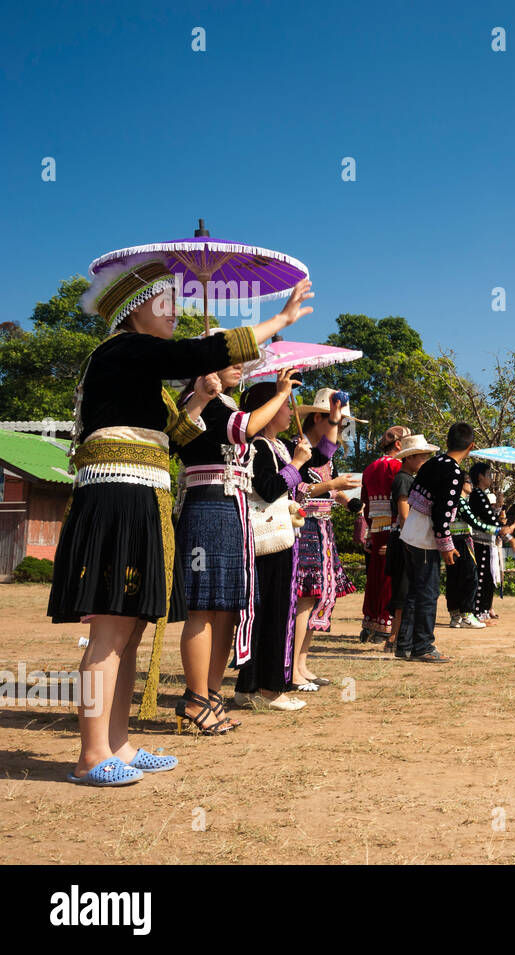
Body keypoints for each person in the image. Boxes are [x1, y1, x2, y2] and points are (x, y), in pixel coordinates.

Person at [50, 262, 310, 785]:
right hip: (117, 497)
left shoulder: (141, 371)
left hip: (141, 496)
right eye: (164, 302)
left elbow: (183, 434)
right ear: (132, 311)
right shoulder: (122, 349)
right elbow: (199, 352)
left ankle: (116, 746)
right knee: (110, 628)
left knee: (131, 627)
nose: (175, 312)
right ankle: (90, 755)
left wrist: (201, 396)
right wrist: (276, 322)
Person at [174, 349, 299, 733]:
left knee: (228, 607)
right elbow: (243, 429)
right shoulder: (198, 401)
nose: (238, 366)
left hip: (232, 508)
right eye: (230, 359)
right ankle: (195, 698)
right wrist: (278, 394)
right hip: (206, 506)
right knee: (203, 607)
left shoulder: (222, 401)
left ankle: (212, 693)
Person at [233, 380, 314, 712]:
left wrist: (300, 460)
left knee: (268, 613)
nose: (290, 410)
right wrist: (295, 465)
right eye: (284, 404)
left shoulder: (276, 447)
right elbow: (267, 489)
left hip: (278, 537)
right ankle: (269, 688)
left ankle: (249, 685)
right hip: (268, 541)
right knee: (274, 612)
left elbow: (300, 475)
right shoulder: (260, 447)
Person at [288, 389, 363, 690]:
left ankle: (302, 665)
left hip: (322, 529)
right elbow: (298, 489)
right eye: (336, 422)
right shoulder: (298, 448)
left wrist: (349, 502)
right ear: (318, 418)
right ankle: (292, 669)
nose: (341, 428)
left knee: (317, 597)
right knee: (304, 599)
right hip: (302, 527)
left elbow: (329, 485)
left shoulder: (322, 454)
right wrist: (332, 485)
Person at [396, 422, 476, 662]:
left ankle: (405, 645)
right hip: (425, 537)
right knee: (428, 593)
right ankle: (423, 646)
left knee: (413, 592)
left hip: (412, 530)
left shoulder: (433, 462)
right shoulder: (454, 472)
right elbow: (442, 512)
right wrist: (446, 546)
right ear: (470, 447)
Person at [358, 426, 411, 644]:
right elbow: (403, 501)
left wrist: (370, 531)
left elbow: (365, 501)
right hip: (395, 527)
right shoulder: (399, 467)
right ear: (399, 445)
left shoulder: (370, 468)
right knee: (392, 577)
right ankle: (385, 625)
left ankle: (370, 624)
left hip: (376, 528)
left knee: (375, 577)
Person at [384, 434, 435, 654]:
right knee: (406, 591)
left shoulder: (407, 478)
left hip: (404, 536)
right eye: (422, 457)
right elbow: (404, 514)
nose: (424, 460)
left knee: (407, 591)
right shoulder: (404, 479)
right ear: (411, 457)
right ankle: (397, 639)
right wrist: (410, 537)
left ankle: (399, 639)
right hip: (406, 537)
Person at [465, 462, 515, 622]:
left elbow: (492, 519)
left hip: (486, 542)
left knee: (487, 578)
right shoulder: (477, 495)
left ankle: (482, 611)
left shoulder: (480, 495)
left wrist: (507, 532)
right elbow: (491, 520)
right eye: (489, 474)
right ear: (480, 476)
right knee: (483, 578)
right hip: (479, 542)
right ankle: (479, 612)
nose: (491, 478)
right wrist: (509, 532)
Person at [446, 477, 484, 628]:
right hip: (462, 541)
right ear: (462, 484)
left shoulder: (450, 499)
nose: (472, 485)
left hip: (450, 542)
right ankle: (467, 614)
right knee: (470, 577)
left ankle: (455, 616)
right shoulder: (461, 501)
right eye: (470, 482)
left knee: (453, 579)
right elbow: (474, 521)